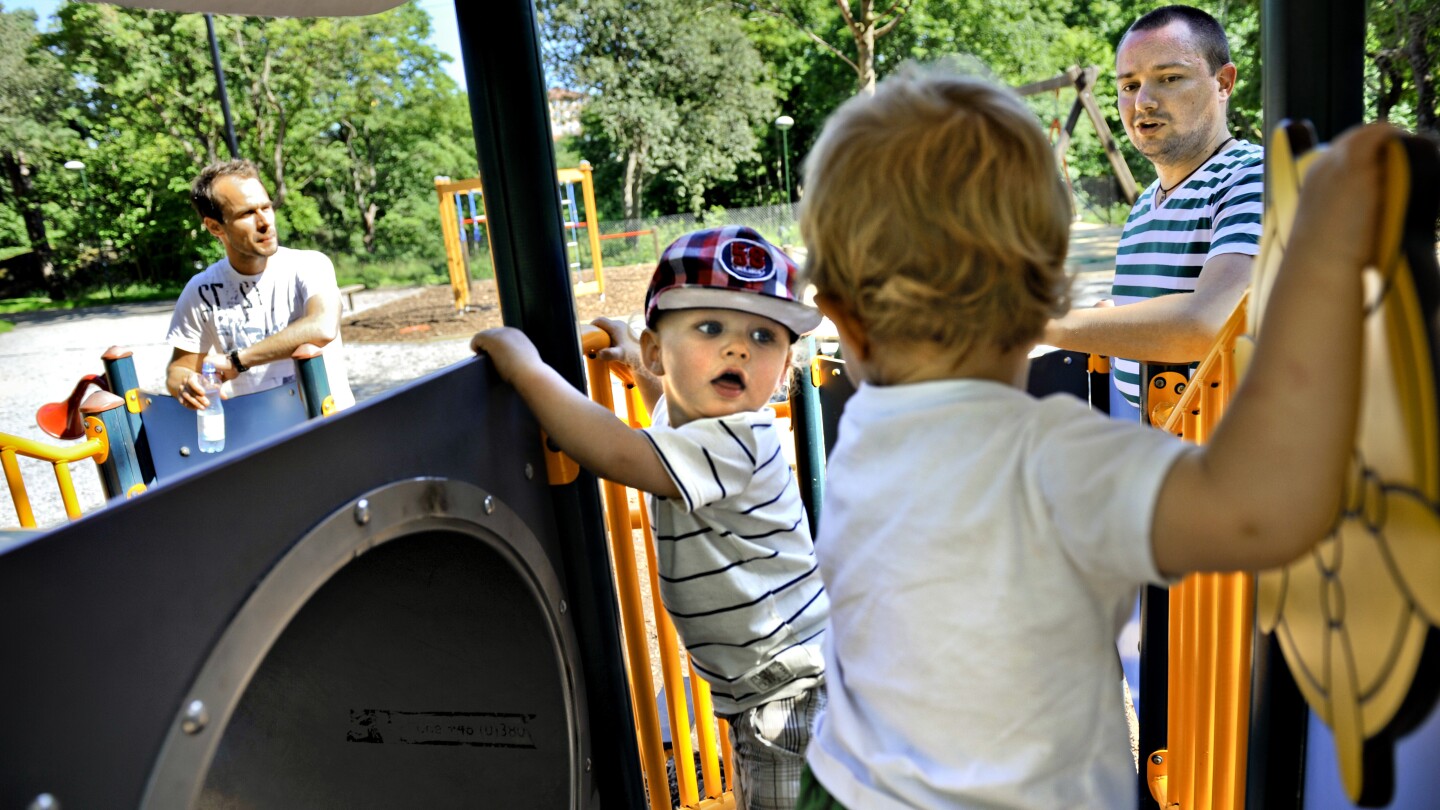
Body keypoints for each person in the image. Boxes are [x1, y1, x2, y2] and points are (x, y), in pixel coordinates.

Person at [792, 64, 1390, 808]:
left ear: (841, 319)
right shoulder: (1057, 456)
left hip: (845, 780)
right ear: (1051, 299)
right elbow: (1270, 511)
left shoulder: (861, 440)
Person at [472, 226, 829, 810]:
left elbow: (618, 450)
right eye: (709, 328)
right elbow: (664, 408)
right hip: (769, 696)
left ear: (786, 364)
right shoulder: (697, 428)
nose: (738, 348)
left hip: (793, 702)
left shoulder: (740, 440)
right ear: (661, 348)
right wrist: (634, 358)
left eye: (763, 335)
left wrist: (528, 370)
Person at [1044, 5, 1263, 421]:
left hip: (1220, 451)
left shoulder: (1252, 176)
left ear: (1224, 82)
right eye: (1129, 85)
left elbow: (1209, 323)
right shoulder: (1147, 202)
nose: (1143, 101)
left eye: (1169, 78)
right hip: (1146, 429)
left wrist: (1031, 324)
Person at [166, 159, 354, 411]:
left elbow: (322, 327)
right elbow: (179, 369)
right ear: (214, 226)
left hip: (330, 424)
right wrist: (189, 384)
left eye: (266, 207)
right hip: (258, 436)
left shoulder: (310, 265)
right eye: (247, 213)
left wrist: (237, 361)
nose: (265, 222)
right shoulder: (201, 290)